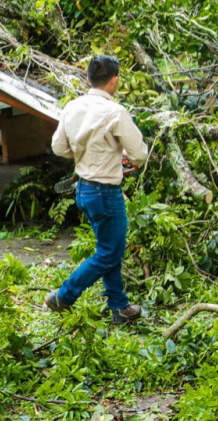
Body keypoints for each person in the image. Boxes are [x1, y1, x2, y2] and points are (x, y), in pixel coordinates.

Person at [45, 55, 149, 325]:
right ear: (114, 81)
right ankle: (63, 296)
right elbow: (139, 153)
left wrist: (88, 155)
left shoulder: (72, 107)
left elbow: (59, 147)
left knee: (108, 247)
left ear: (89, 79)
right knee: (109, 253)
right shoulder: (115, 112)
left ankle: (119, 307)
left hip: (84, 190)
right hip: (106, 194)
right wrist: (124, 155)